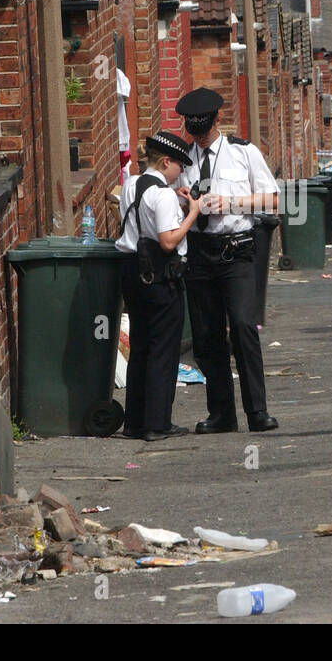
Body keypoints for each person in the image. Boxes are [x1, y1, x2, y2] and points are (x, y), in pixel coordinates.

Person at [174, 86, 280, 434]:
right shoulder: (182, 160)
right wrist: (183, 200)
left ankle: (257, 411)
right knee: (206, 335)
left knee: (243, 326)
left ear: (218, 120)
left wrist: (232, 204)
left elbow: (274, 200)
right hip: (199, 251)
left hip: (237, 250)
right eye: (194, 132)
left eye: (204, 130)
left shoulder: (243, 152)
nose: (200, 138)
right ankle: (222, 414)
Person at [115, 132, 204, 441]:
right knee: (163, 350)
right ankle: (158, 423)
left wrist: (176, 200)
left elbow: (140, 219)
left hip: (131, 272)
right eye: (179, 164)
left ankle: (135, 422)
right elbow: (167, 241)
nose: (181, 170)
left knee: (141, 346)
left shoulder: (131, 185)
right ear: (166, 161)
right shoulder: (163, 195)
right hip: (161, 275)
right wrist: (191, 212)